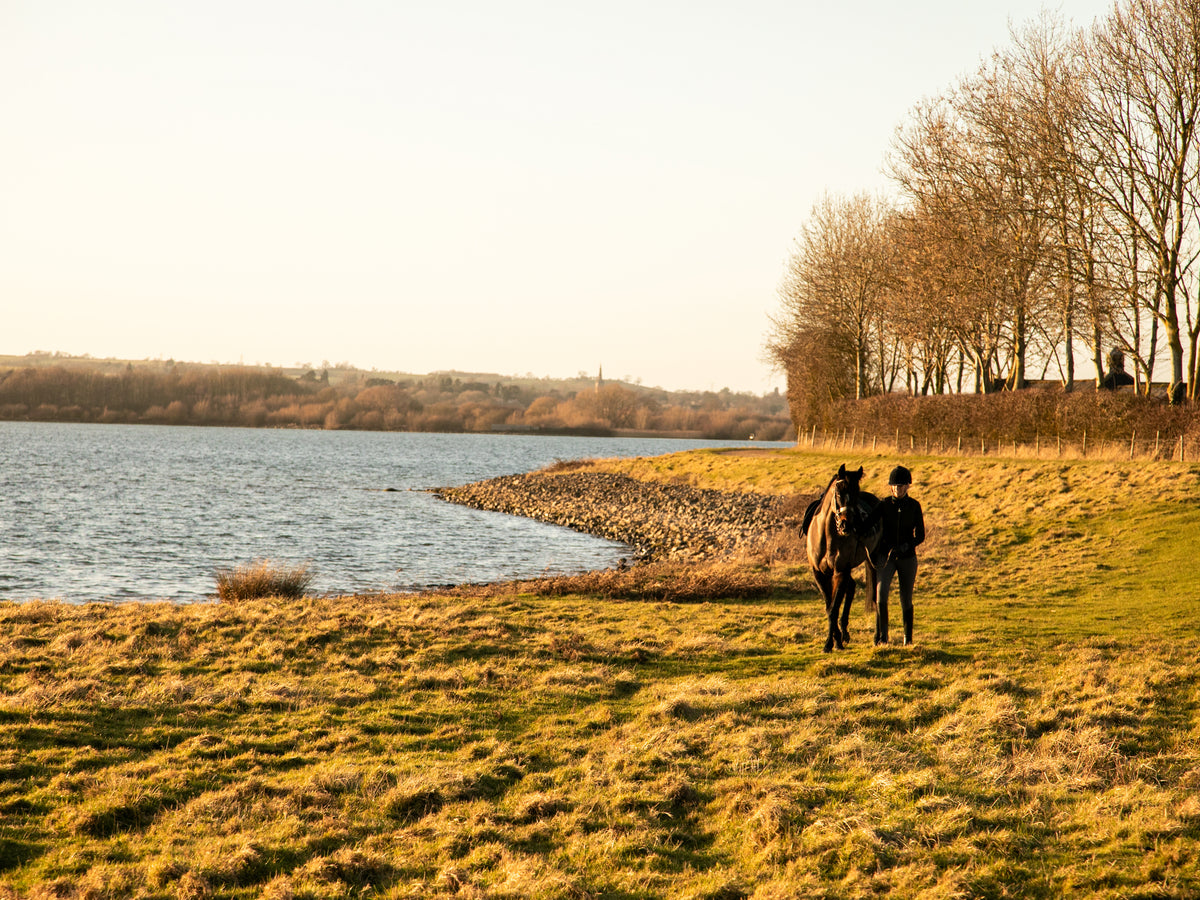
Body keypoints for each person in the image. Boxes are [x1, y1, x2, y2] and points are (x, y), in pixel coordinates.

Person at [860, 465, 925, 645]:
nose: (898, 488)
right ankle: (883, 638)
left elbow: (921, 535)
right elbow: (867, 525)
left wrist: (906, 546)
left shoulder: (914, 506)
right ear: (890, 487)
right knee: (881, 595)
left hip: (908, 558)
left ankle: (908, 639)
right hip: (885, 557)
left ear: (908, 486)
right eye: (895, 485)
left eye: (902, 485)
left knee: (906, 598)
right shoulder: (883, 505)